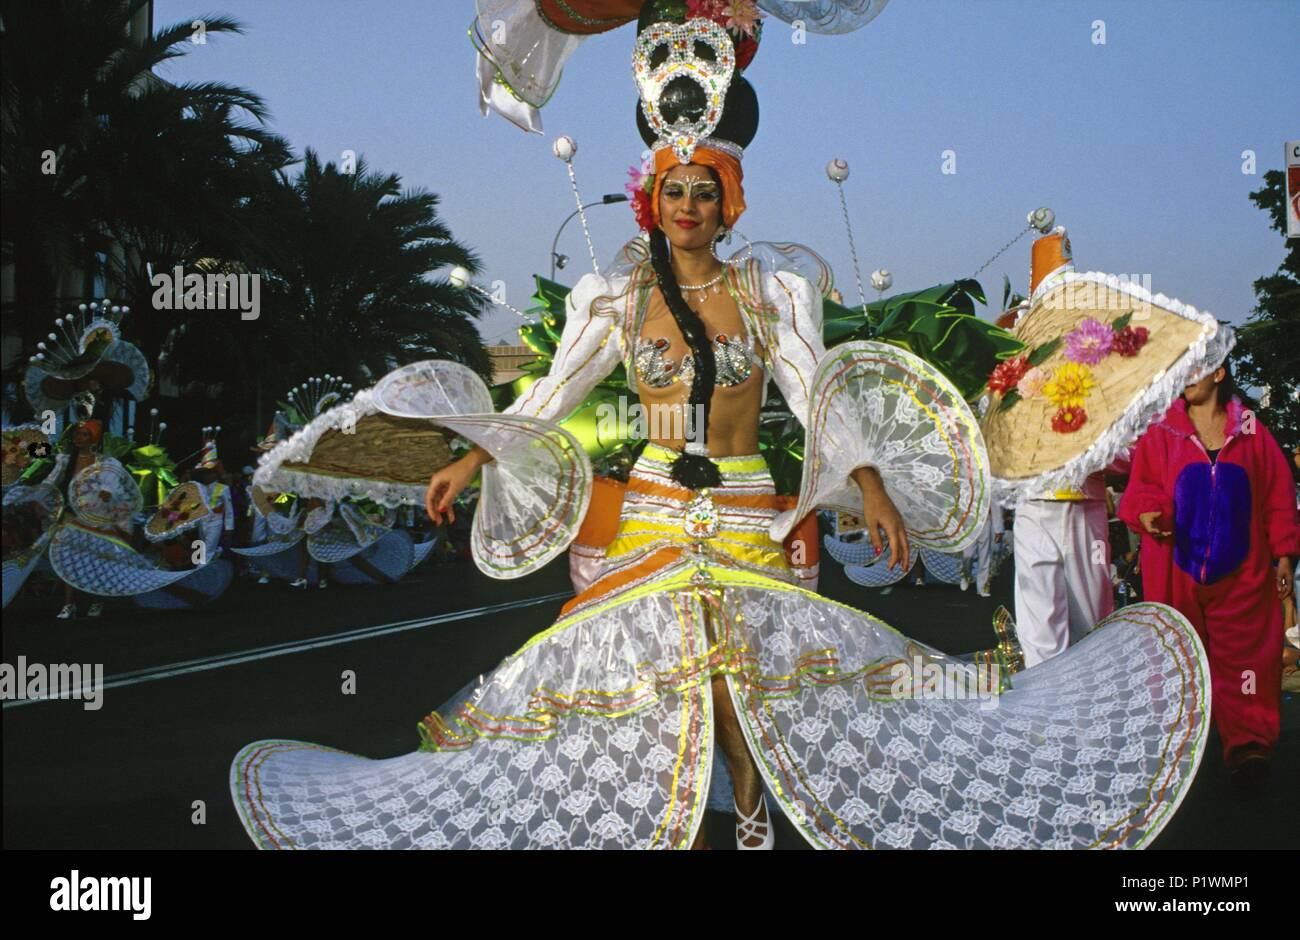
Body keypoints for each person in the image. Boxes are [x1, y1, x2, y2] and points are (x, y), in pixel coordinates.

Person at [230, 7, 1207, 850]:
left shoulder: (772, 289)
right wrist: (463, 455)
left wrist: (864, 483)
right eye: (673, 189)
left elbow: (819, 394)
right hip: (653, 508)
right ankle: (692, 819)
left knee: (748, 685)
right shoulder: (611, 295)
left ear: (726, 199)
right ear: (649, 197)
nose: (689, 205)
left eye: (706, 191)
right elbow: (544, 400)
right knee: (651, 684)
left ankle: (748, 817)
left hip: (745, 508)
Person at [1120, 337, 1299, 780]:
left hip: (1244, 573)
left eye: (1195, 369)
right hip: (1176, 571)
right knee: (1180, 656)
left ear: (1219, 374)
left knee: (1246, 659)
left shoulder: (1253, 429)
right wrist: (1147, 513)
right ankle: (1184, 742)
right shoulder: (1161, 431)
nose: (1185, 378)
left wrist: (1284, 554)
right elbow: (1140, 489)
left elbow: (1278, 495)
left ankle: (1248, 741)